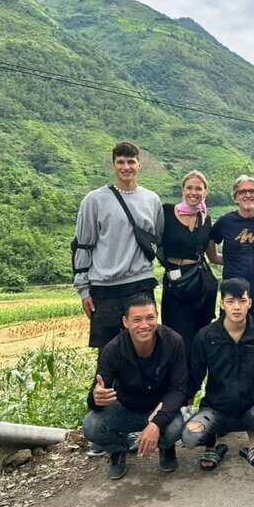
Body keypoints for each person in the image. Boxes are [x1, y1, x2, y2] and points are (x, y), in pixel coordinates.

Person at [182, 278, 254, 470]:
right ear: (222, 304)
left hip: (250, 406)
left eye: (242, 301)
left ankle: (253, 444)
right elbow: (195, 376)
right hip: (215, 408)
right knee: (189, 436)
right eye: (230, 301)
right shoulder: (206, 336)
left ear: (250, 302)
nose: (237, 307)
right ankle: (212, 445)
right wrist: (185, 405)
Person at [82, 294, 188, 480]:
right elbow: (95, 398)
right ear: (126, 322)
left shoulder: (173, 341)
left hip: (160, 406)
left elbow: (178, 390)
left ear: (157, 316)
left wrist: (156, 423)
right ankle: (118, 450)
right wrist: (96, 398)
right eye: (137, 320)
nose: (144, 325)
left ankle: (166, 446)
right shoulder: (113, 349)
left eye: (150, 318)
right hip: (126, 406)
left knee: (175, 428)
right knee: (91, 425)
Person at [72, 141, 164, 350]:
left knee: (144, 348)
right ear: (113, 165)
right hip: (105, 288)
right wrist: (84, 290)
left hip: (141, 284)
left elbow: (156, 239)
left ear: (139, 165)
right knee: (108, 352)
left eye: (131, 162)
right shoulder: (94, 200)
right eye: (121, 162)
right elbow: (83, 246)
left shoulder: (152, 200)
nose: (126, 167)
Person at [160, 170, 221, 356]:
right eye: (189, 188)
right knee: (174, 335)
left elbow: (213, 256)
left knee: (198, 335)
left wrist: (245, 256)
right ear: (183, 189)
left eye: (198, 189)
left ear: (205, 192)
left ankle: (195, 374)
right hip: (175, 282)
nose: (193, 192)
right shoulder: (166, 212)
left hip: (198, 283)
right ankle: (176, 374)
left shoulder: (205, 219)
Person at [209, 175, 254, 321]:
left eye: (252, 191)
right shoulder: (225, 221)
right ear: (235, 197)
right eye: (242, 192)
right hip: (232, 293)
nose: (247, 195)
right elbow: (211, 238)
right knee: (230, 331)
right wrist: (216, 258)